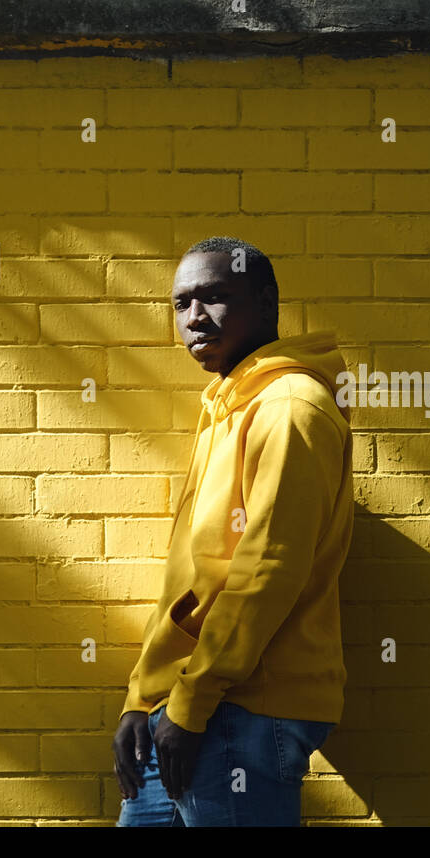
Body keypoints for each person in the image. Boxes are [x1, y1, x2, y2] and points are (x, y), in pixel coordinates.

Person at [112, 236, 353, 826]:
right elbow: (193, 576)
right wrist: (142, 699)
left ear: (265, 302)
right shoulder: (230, 406)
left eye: (215, 297)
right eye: (181, 303)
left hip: (239, 707)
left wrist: (191, 704)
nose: (195, 317)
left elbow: (266, 571)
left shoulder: (290, 407)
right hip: (184, 703)